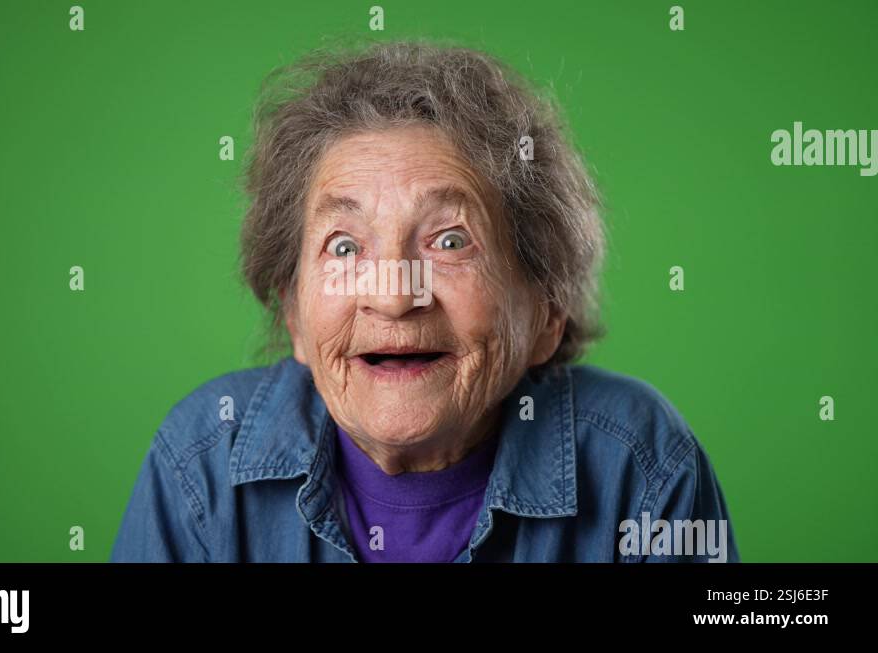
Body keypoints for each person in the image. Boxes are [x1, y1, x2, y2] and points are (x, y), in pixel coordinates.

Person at [110, 40, 739, 563]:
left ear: (546, 312)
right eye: (345, 247)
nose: (392, 295)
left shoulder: (643, 467)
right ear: (294, 315)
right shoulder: (202, 462)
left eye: (449, 239)